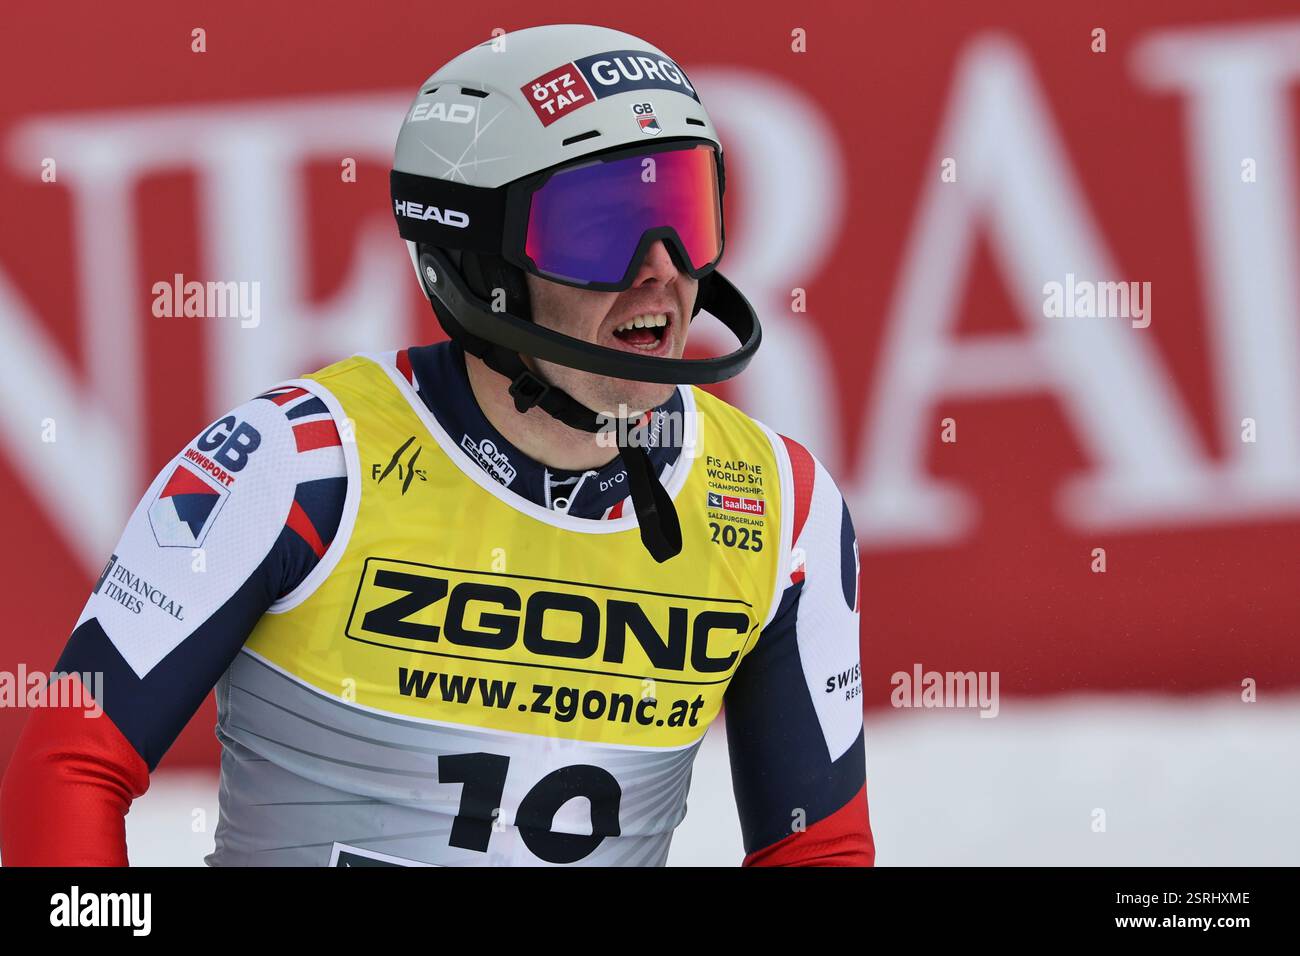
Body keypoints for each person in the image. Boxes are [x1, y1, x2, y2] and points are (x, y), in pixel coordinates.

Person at [0, 23, 873, 867]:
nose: (662, 271)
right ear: (481, 267)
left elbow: (818, 849)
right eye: (602, 227)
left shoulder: (779, 504)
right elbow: (70, 766)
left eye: (684, 210)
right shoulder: (297, 463)